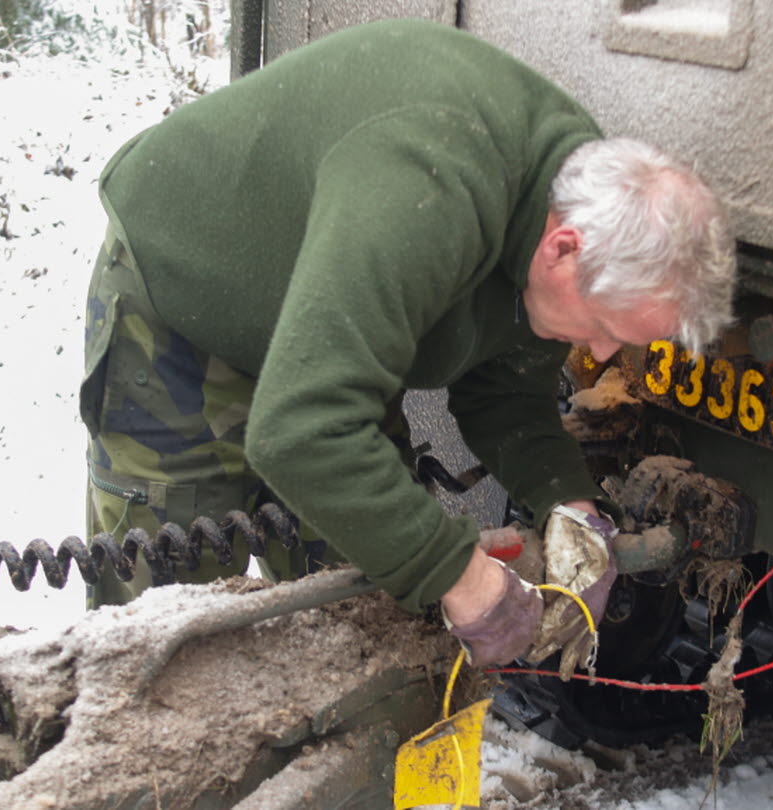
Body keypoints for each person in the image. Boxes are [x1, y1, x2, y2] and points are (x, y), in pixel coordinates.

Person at [78, 19, 735, 668]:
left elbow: (506, 392)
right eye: (605, 328)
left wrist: (572, 506)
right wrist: (465, 580)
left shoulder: (568, 202)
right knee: (168, 641)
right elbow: (301, 433)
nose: (595, 354)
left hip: (331, 325)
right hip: (194, 298)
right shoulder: (430, 184)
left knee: (361, 623)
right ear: (564, 250)